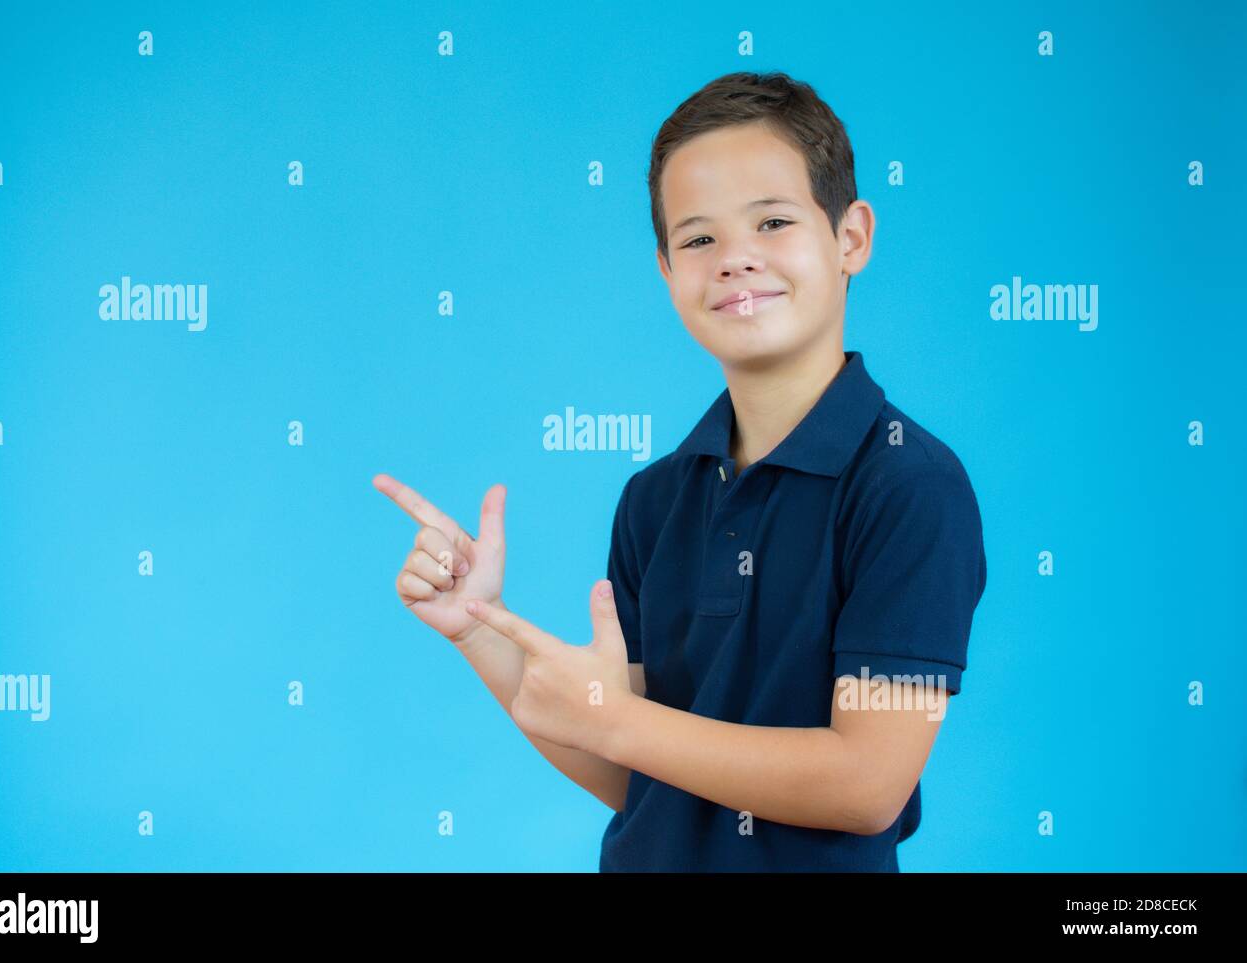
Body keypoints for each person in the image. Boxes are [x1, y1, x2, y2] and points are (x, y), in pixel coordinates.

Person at [373, 70, 986, 872]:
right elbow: (634, 771)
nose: (734, 260)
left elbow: (867, 781)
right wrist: (478, 626)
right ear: (666, 270)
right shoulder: (652, 500)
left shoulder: (908, 484)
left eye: (771, 221)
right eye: (698, 239)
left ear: (851, 238)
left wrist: (619, 721)